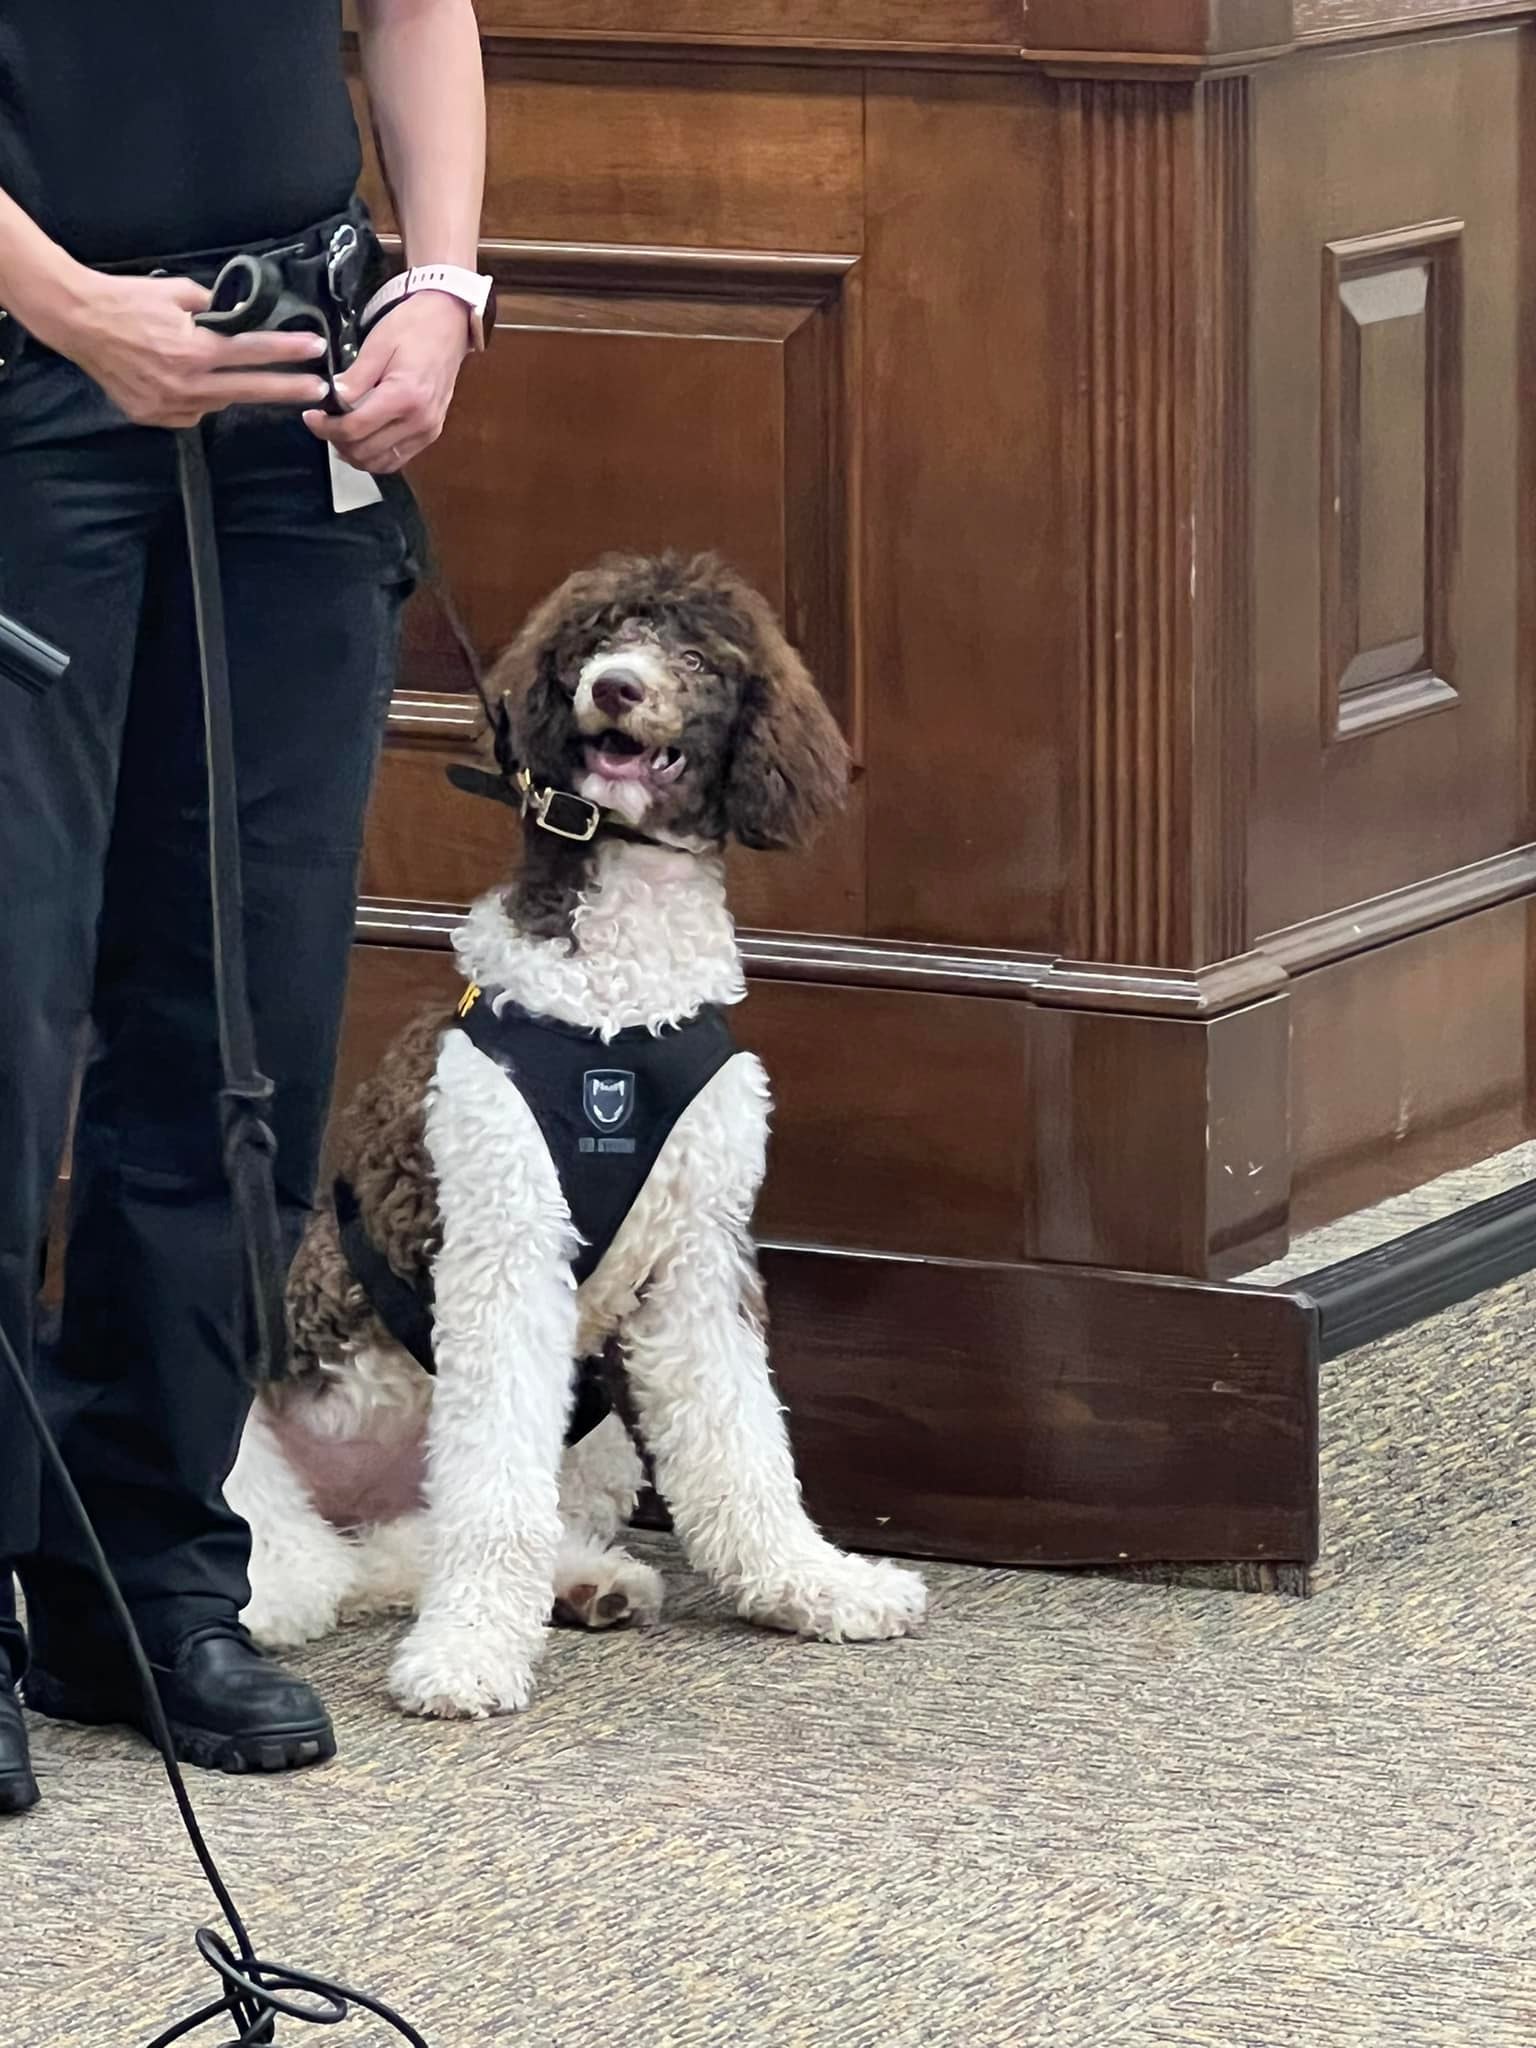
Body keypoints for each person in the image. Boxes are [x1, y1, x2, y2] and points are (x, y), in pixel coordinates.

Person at [0, 1, 486, 1814]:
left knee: (242, 1020)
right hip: (26, 384)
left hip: (291, 398)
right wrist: (66, 301)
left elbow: (419, 10)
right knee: (3, 1028)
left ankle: (143, 1573)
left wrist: (441, 286)